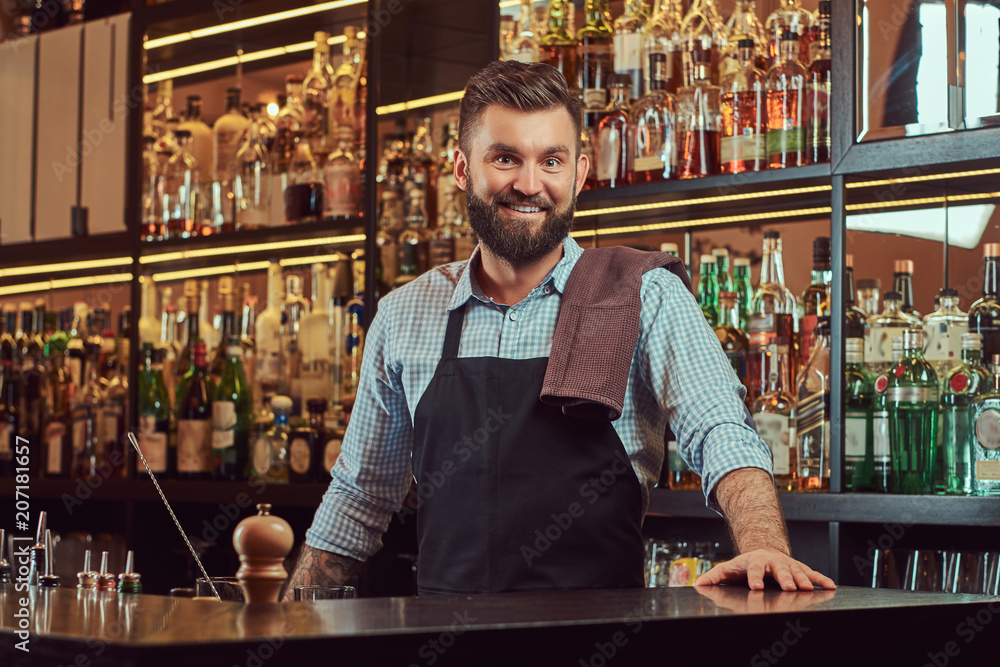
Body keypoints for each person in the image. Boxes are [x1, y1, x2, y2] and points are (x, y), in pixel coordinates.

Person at [284, 60, 835, 598]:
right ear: (460, 168)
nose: (530, 184)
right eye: (505, 158)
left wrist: (764, 544)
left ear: (579, 173)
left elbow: (720, 430)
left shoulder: (642, 292)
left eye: (551, 160)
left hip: (598, 643)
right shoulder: (405, 314)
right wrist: (289, 629)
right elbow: (359, 497)